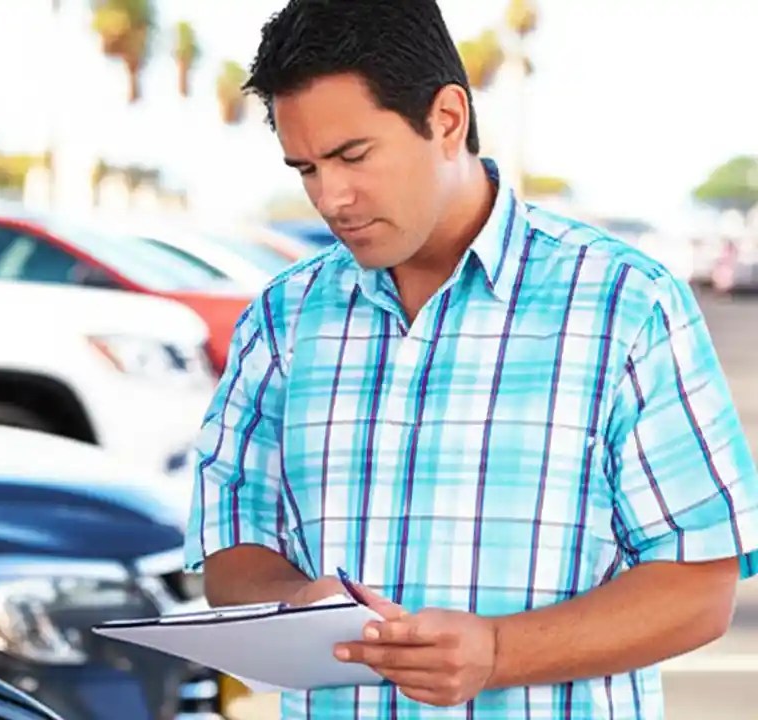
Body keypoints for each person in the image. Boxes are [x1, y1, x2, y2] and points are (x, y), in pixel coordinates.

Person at [184, 1, 758, 718]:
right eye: (305, 168)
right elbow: (233, 555)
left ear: (447, 119)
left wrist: (498, 651)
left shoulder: (624, 306)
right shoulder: (281, 320)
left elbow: (701, 588)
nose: (331, 197)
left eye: (353, 156)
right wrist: (296, 604)